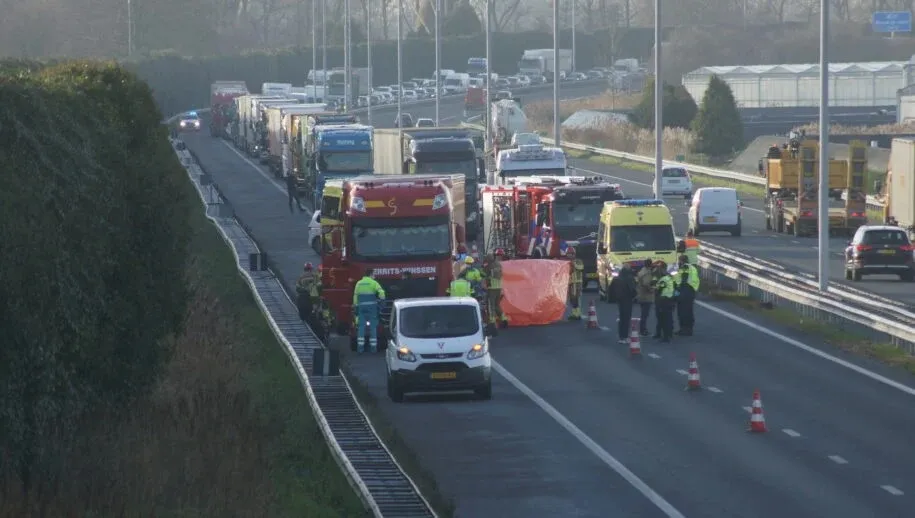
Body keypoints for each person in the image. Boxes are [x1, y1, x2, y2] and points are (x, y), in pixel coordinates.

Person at [352, 268, 386, 353]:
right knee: (373, 327)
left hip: (361, 308)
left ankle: (360, 348)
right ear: (370, 274)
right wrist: (382, 302)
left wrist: (356, 307)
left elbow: (355, 296)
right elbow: (381, 292)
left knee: (361, 327)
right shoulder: (374, 283)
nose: (375, 276)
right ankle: (373, 349)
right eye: (374, 274)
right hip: (372, 308)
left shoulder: (358, 283)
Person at [482, 250, 509, 328]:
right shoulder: (499, 265)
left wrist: (483, 268)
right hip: (499, 288)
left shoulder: (489, 266)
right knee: (497, 305)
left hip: (492, 288)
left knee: (491, 305)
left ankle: (492, 322)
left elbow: (484, 274)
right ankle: (504, 319)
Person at [674, 254, 700, 336]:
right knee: (688, 311)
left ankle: (684, 329)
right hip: (691, 291)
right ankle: (688, 329)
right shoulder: (692, 268)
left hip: (684, 290)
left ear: (681, 261)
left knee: (682, 311)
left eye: (679, 260)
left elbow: (682, 280)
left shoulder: (684, 268)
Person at [614, 264, 638, 344]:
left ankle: (621, 336)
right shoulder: (629, 278)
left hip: (620, 300)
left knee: (622, 318)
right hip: (627, 300)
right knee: (626, 319)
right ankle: (625, 336)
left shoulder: (618, 278)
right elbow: (633, 290)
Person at [654, 261, 676, 343]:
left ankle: (665, 337)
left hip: (663, 300)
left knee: (663, 318)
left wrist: (655, 288)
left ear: (662, 269)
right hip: (670, 299)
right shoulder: (670, 277)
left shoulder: (663, 279)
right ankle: (667, 334)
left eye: (658, 268)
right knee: (668, 318)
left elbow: (659, 290)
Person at [636, 259, 654, 337]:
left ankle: (642, 329)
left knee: (643, 314)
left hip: (641, 295)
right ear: (650, 265)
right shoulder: (647, 273)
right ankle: (643, 330)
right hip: (646, 296)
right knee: (645, 314)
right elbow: (646, 283)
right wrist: (651, 290)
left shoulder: (641, 271)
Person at [295, 263, 317, 328]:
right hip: (312, 296)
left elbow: (297, 288)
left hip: (302, 297)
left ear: (305, 269)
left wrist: (303, 290)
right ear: (311, 269)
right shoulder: (314, 276)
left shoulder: (301, 277)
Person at [566, 247, 584, 320]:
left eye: (571, 254)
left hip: (577, 283)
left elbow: (581, 267)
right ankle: (574, 314)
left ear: (574, 254)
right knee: (571, 299)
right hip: (570, 283)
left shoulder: (578, 261)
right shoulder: (567, 262)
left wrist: (574, 264)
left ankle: (578, 314)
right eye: (568, 254)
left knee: (576, 298)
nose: (569, 255)